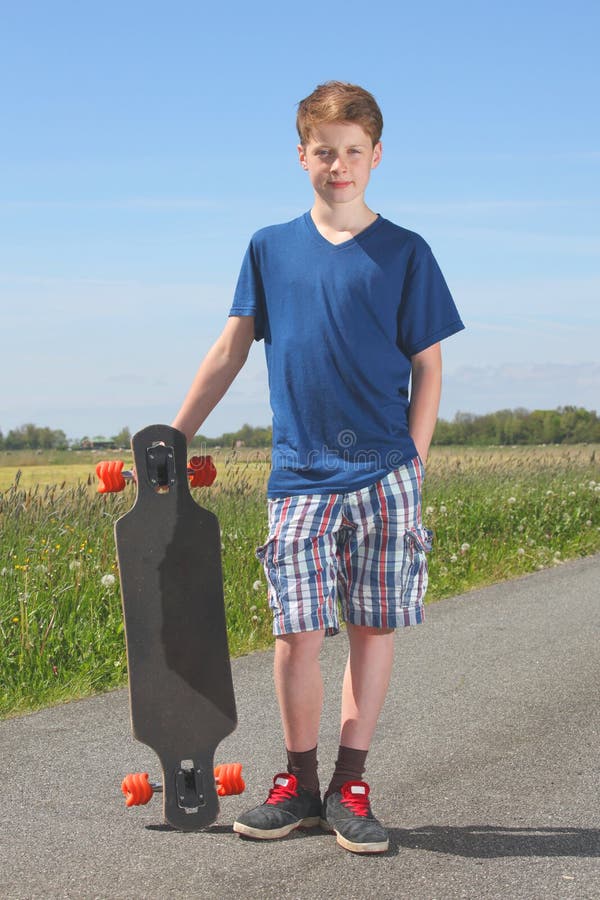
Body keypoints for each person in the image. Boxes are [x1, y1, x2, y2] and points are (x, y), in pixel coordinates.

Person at [172, 81, 464, 854]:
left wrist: (416, 462)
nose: (340, 164)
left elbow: (428, 369)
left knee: (371, 628)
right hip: (299, 476)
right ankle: (298, 783)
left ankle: (351, 785)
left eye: (354, 152)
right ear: (302, 154)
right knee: (296, 631)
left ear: (376, 157)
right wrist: (173, 434)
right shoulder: (270, 248)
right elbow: (231, 349)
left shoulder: (406, 251)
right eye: (325, 151)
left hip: (385, 474)